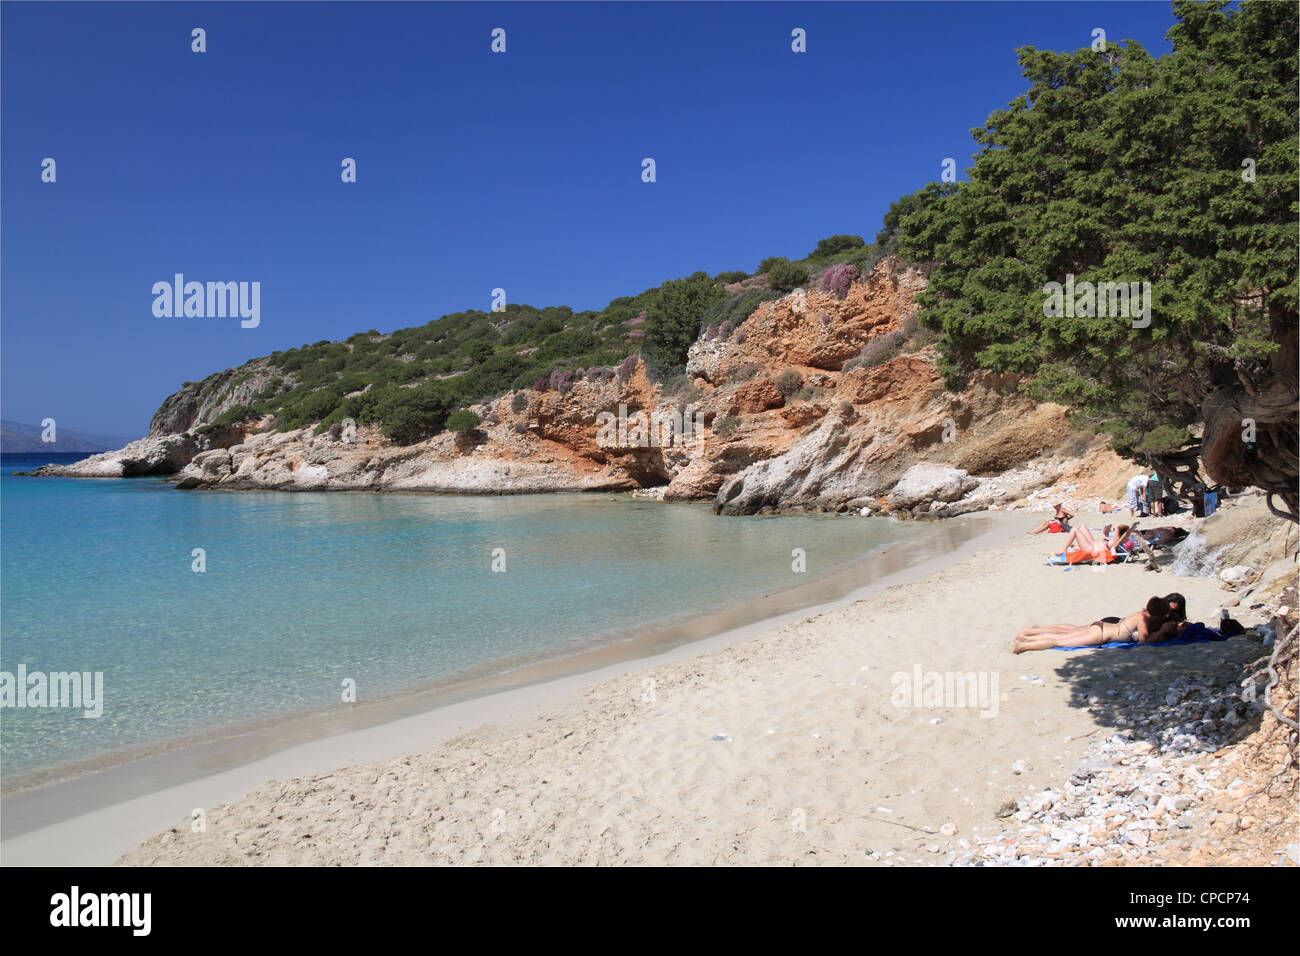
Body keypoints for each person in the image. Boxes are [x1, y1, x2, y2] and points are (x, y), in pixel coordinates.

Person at [1013, 596, 1181, 653]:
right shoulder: (1143, 619)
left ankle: (1028, 634)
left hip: (1101, 627)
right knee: (1060, 641)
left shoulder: (1140, 614)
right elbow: (1145, 641)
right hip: (1101, 634)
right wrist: (1161, 633)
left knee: (1064, 635)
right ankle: (1023, 645)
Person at [1052, 523, 1135, 562]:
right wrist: (1108, 527)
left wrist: (1127, 531)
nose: (1114, 530)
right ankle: (1077, 546)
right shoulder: (1112, 539)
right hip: (1091, 543)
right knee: (1083, 526)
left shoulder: (1116, 541)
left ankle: (1064, 548)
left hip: (1090, 549)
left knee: (1075, 529)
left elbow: (1118, 526)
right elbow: (1106, 531)